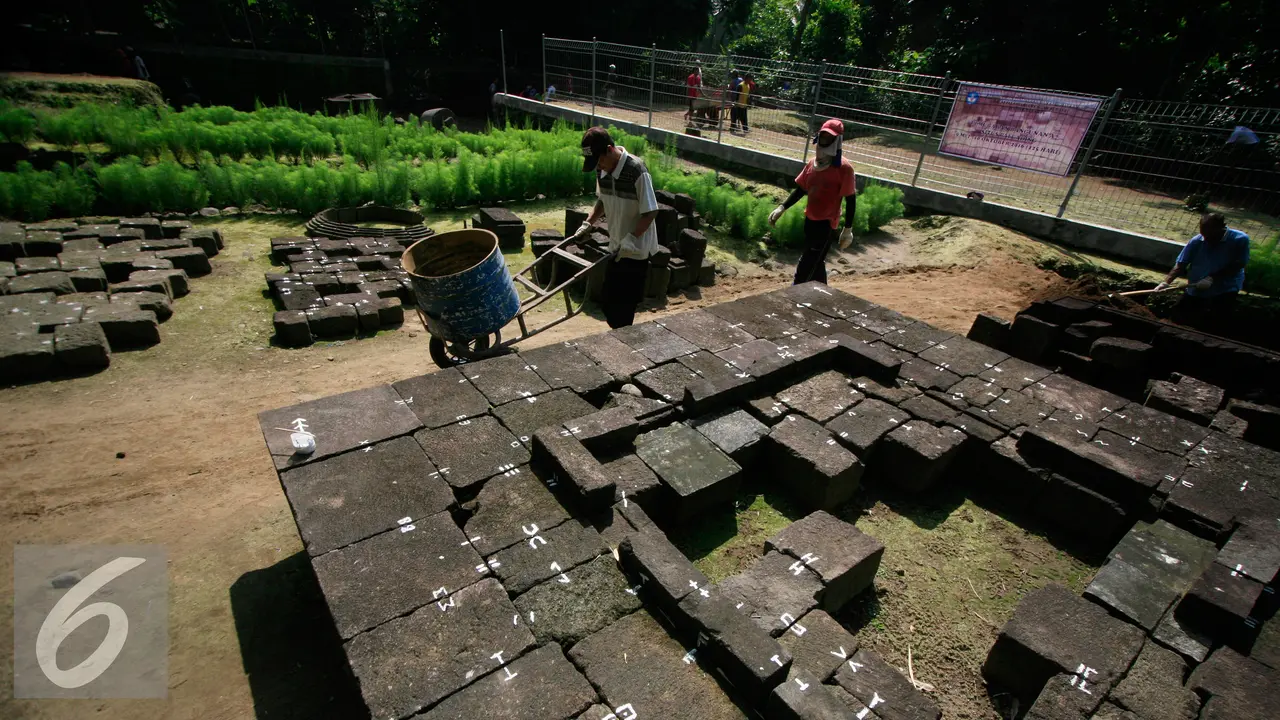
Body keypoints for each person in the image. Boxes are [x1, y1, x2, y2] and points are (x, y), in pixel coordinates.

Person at [565, 127, 659, 328]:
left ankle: (625, 350)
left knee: (623, 312)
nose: (599, 166)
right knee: (608, 305)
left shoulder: (637, 171)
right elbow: (602, 201)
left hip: (635, 250)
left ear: (609, 149)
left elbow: (650, 211)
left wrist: (632, 238)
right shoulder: (602, 170)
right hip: (616, 247)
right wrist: (587, 223)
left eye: (599, 160)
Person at [768, 118, 857, 285]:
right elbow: (802, 188)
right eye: (822, 136)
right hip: (810, 219)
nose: (824, 140)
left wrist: (848, 229)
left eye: (828, 137)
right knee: (816, 262)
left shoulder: (844, 169)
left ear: (837, 140)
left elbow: (850, 199)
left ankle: (795, 293)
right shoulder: (812, 163)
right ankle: (822, 294)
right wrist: (782, 207)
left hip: (826, 223)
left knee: (807, 263)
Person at [1155, 212, 1250, 327]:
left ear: (1222, 227)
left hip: (1224, 288)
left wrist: (1211, 278)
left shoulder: (1239, 239)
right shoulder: (1197, 241)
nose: (1206, 239)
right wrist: (1166, 282)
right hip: (1196, 286)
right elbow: (1181, 264)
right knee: (1178, 317)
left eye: (1210, 235)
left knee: (1212, 322)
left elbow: (1239, 264)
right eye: (1203, 234)